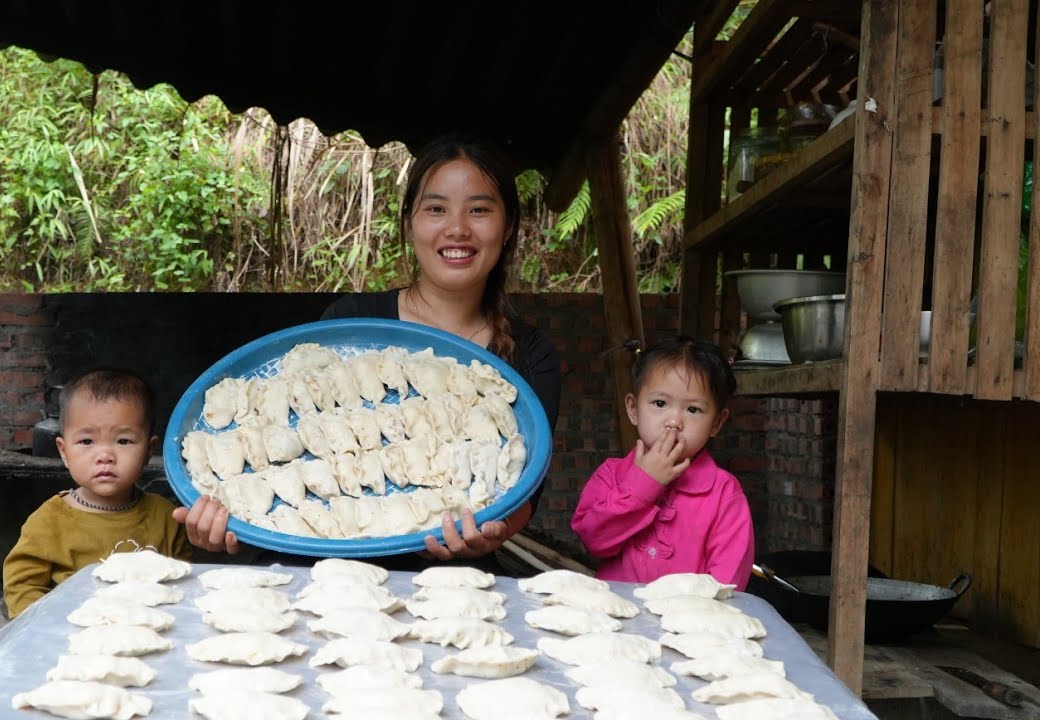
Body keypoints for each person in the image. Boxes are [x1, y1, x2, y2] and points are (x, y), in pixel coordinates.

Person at [176, 133, 560, 569]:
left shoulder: (530, 354)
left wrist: (492, 533)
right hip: (335, 572)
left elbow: (527, 490)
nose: (457, 228)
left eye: (479, 210)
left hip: (452, 580)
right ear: (409, 222)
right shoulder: (352, 323)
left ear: (508, 226)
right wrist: (234, 525)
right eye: (436, 209)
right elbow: (307, 445)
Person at [570, 335, 755, 589]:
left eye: (693, 410)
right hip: (615, 623)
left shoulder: (724, 494)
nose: (674, 421)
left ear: (716, 423)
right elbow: (593, 541)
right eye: (660, 403)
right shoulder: (611, 475)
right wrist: (643, 485)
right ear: (633, 409)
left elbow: (727, 583)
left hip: (687, 623)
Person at [3, 368, 189, 618]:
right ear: (64, 451)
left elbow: (187, 580)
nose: (105, 456)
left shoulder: (167, 517)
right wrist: (48, 626)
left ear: (148, 450)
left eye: (123, 441)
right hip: (75, 640)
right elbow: (21, 587)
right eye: (87, 442)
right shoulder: (49, 522)